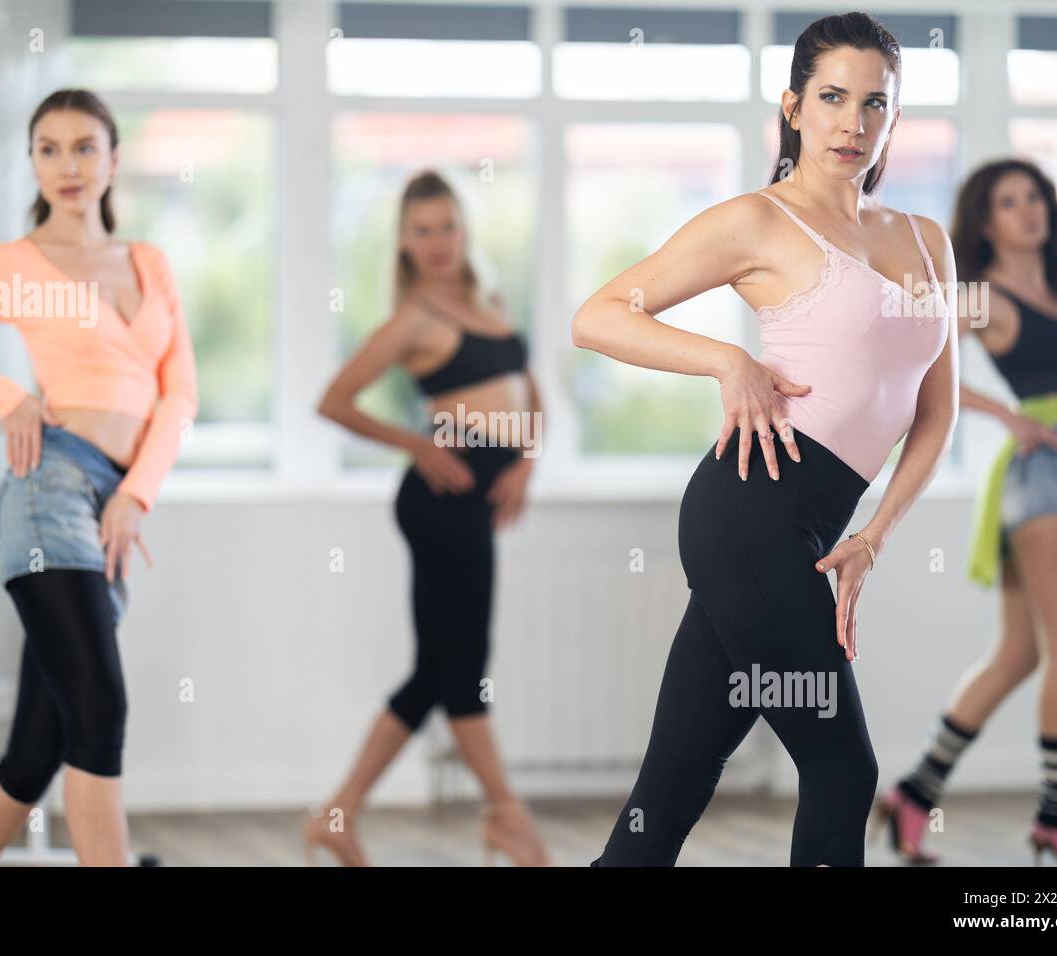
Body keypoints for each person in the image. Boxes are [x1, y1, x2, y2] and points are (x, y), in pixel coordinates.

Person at [573, 12, 956, 866]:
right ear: (792, 107)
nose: (853, 123)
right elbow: (596, 317)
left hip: (818, 527)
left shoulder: (925, 241)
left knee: (667, 794)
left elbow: (936, 413)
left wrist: (875, 535)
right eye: (831, 98)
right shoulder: (757, 221)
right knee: (843, 772)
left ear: (893, 116)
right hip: (747, 516)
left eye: (874, 104)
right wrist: (725, 361)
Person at [0, 89, 198, 866]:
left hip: (111, 504)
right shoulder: (12, 266)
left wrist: (135, 493)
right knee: (100, 704)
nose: (68, 165)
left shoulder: (148, 263)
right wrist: (7, 395)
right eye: (48, 148)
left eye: (85, 146)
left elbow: (181, 394)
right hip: (47, 488)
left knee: (38, 748)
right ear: (32, 163)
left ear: (114, 160)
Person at [878, 159, 1057, 867]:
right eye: (1009, 203)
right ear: (986, 223)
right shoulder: (992, 299)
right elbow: (918, 356)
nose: (1027, 211)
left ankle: (915, 794)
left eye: (1035, 198)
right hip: (1042, 473)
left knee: (1022, 652)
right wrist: (1009, 417)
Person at [309, 170, 550, 866]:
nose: (438, 242)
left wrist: (528, 459)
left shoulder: (491, 302)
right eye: (422, 231)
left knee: (433, 674)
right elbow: (334, 400)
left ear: (463, 231)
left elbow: (529, 388)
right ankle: (511, 819)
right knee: (464, 672)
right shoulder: (413, 319)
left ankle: (337, 814)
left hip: (481, 496)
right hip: (440, 499)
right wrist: (415, 441)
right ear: (405, 243)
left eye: (447, 226)